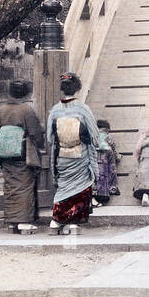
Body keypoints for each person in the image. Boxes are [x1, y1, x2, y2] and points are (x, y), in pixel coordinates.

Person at [46, 73, 100, 234]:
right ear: (77, 88)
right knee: (80, 187)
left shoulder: (55, 110)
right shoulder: (83, 109)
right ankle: (72, 223)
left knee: (63, 187)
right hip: (80, 155)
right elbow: (94, 135)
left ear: (63, 89)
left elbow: (49, 136)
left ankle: (56, 222)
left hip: (62, 155)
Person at [0, 79, 46, 233]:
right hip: (22, 152)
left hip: (6, 153)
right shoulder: (26, 110)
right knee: (25, 186)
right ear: (25, 92)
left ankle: (12, 221)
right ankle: (23, 221)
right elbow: (35, 132)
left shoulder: (3, 110)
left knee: (11, 186)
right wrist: (41, 144)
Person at [93, 118, 121, 205]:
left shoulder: (94, 138)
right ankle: (111, 190)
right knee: (106, 176)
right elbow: (114, 150)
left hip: (94, 160)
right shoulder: (108, 138)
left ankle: (93, 198)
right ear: (107, 130)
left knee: (95, 178)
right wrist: (118, 157)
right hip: (106, 162)